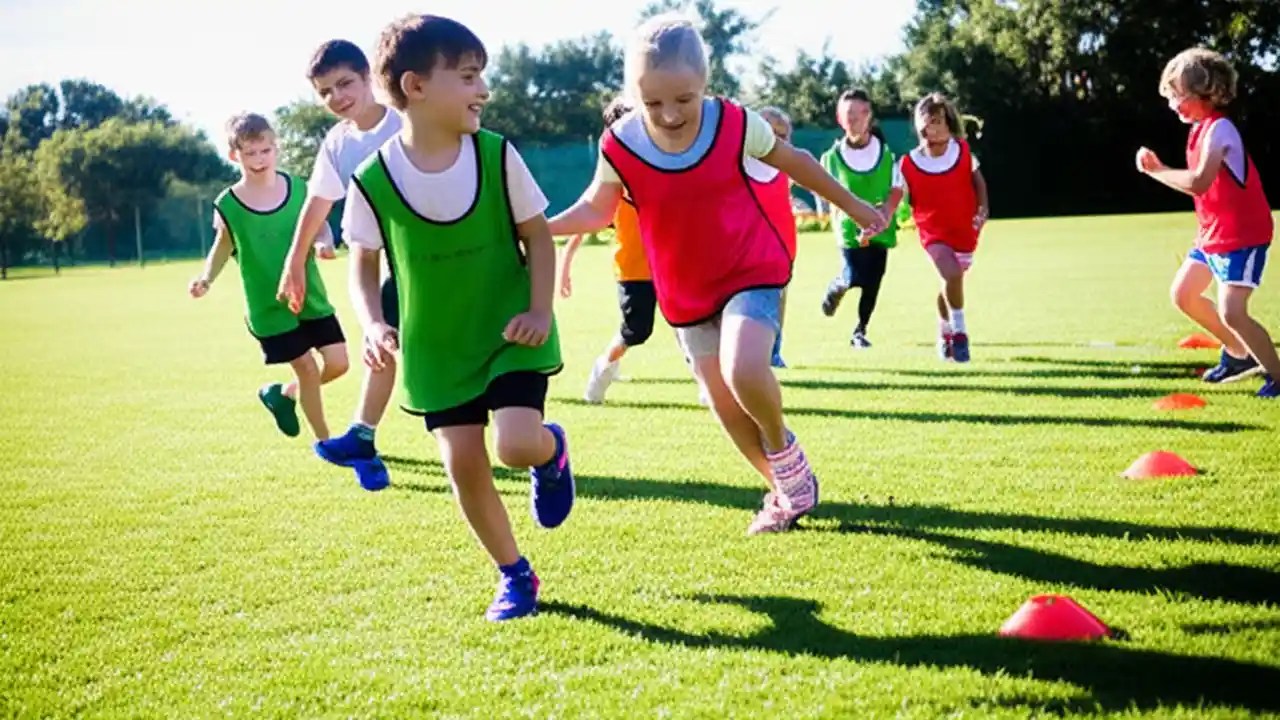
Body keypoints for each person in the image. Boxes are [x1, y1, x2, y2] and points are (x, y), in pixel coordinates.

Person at [548, 14, 886, 535]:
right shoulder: (619, 143)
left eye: (683, 99)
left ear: (705, 82)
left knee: (744, 369)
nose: (668, 113)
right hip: (685, 290)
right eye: (652, 101)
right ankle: (784, 490)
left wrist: (856, 206)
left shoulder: (734, 122)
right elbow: (596, 209)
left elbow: (794, 161)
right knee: (724, 404)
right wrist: (538, 228)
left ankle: (782, 447)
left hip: (750, 268)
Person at [345, 14, 576, 620]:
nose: (484, 90)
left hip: (511, 331)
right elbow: (362, 264)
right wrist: (372, 322)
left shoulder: (498, 155)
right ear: (416, 87)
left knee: (515, 443)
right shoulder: (371, 180)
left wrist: (538, 308)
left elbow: (540, 237)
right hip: (437, 347)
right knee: (463, 463)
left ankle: (550, 454)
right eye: (470, 76)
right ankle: (515, 575)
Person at [277, 39, 405, 488]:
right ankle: (363, 437)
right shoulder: (337, 143)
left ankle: (524, 434)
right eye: (325, 91)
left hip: (434, 256)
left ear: (369, 75)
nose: (337, 97)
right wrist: (294, 261)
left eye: (345, 83)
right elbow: (317, 201)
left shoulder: (405, 120)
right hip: (385, 263)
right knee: (380, 341)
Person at [189, 113, 352, 449]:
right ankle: (326, 443)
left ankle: (284, 394)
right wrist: (206, 279)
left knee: (338, 364)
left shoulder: (300, 188)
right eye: (251, 153)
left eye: (266, 150)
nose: (260, 159)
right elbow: (223, 247)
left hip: (310, 296)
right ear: (235, 155)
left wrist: (324, 241)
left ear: (276, 148)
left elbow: (318, 223)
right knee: (307, 368)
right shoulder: (229, 204)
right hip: (269, 307)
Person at [1137, 47, 1278, 398]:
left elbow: (1199, 181)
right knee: (1183, 294)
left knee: (1232, 310)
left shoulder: (1221, 130)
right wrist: (1160, 172)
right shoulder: (1199, 131)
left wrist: (1158, 172)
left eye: (1178, 96)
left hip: (1242, 236)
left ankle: (1277, 374)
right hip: (1213, 236)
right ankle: (1238, 353)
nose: (1173, 104)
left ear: (1205, 92)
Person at [558, 96, 656, 404]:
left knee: (691, 325)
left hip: (669, 267)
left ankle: (709, 386)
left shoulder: (657, 169)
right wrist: (564, 268)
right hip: (634, 271)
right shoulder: (613, 184)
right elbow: (586, 223)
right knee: (636, 332)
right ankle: (603, 368)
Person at [899, 92, 989, 363]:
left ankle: (944, 331)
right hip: (932, 232)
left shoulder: (961, 151)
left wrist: (983, 209)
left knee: (951, 280)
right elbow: (897, 196)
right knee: (950, 274)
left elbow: (979, 182)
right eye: (927, 122)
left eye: (938, 121)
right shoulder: (908, 163)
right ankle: (960, 333)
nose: (933, 128)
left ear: (948, 123)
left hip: (965, 229)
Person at [819, 89, 905, 349]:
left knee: (873, 280)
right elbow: (826, 194)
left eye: (860, 113)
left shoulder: (886, 154)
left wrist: (886, 214)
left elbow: (896, 188)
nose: (854, 119)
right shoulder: (831, 158)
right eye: (849, 115)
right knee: (854, 275)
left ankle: (860, 330)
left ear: (869, 116)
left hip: (881, 226)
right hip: (849, 229)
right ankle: (838, 286)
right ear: (840, 119)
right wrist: (854, 215)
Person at [745, 106, 798, 369]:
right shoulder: (738, 163)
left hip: (781, 244)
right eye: (770, 132)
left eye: (783, 135)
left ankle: (774, 352)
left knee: (778, 299)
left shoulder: (787, 165)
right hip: (746, 246)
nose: (777, 139)